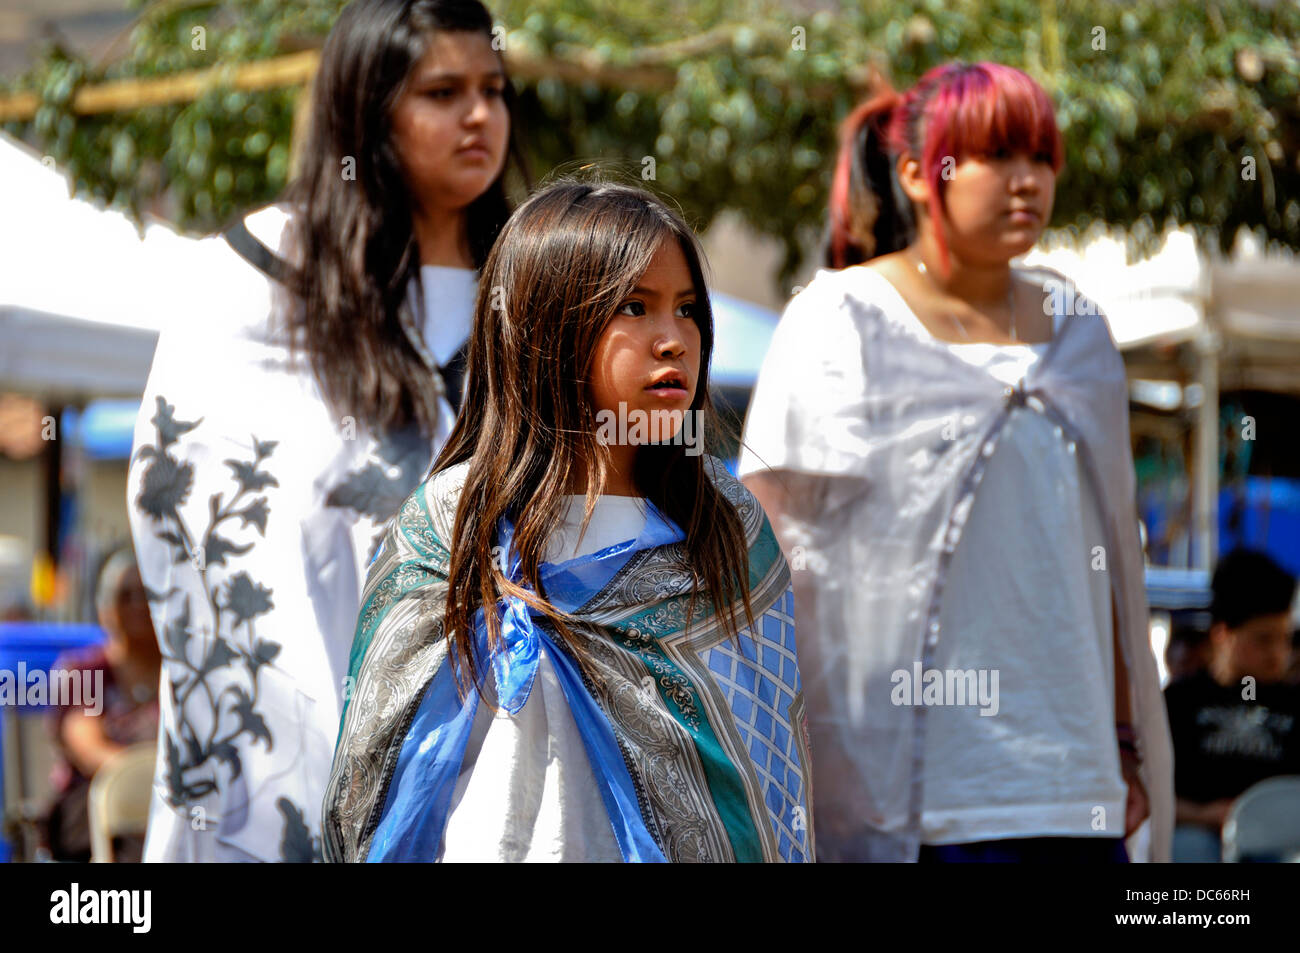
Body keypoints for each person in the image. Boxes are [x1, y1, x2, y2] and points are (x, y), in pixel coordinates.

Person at [738, 61, 1173, 862]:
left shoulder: (1080, 329)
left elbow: (1108, 561)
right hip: (914, 801)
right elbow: (774, 561)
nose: (1027, 181)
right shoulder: (840, 319)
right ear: (915, 171)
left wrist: (1123, 743)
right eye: (997, 155)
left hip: (1076, 794)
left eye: (1041, 157)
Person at [126, 0, 528, 862]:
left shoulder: (536, 279)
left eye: (494, 90)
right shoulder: (256, 284)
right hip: (285, 760)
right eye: (442, 91)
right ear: (367, 109)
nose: (479, 116)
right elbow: (190, 521)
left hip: (501, 755)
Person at [322, 180, 815, 862]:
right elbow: (379, 771)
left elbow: (762, 772)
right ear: (543, 328)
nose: (673, 339)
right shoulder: (453, 525)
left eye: (688, 310)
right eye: (635, 307)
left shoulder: (724, 526)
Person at [1165, 548, 1299, 862]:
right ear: (1223, 634)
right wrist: (1202, 815)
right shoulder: (1180, 701)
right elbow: (1152, 794)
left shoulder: (1295, 703)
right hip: (1199, 841)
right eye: (1263, 640)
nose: (1278, 653)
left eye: (1285, 639)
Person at [42, 548, 161, 862]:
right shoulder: (83, 672)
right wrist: (153, 783)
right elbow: (90, 750)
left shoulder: (182, 677)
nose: (137, 606)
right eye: (125, 595)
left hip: (169, 808)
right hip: (94, 816)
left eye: (146, 595)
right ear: (103, 606)